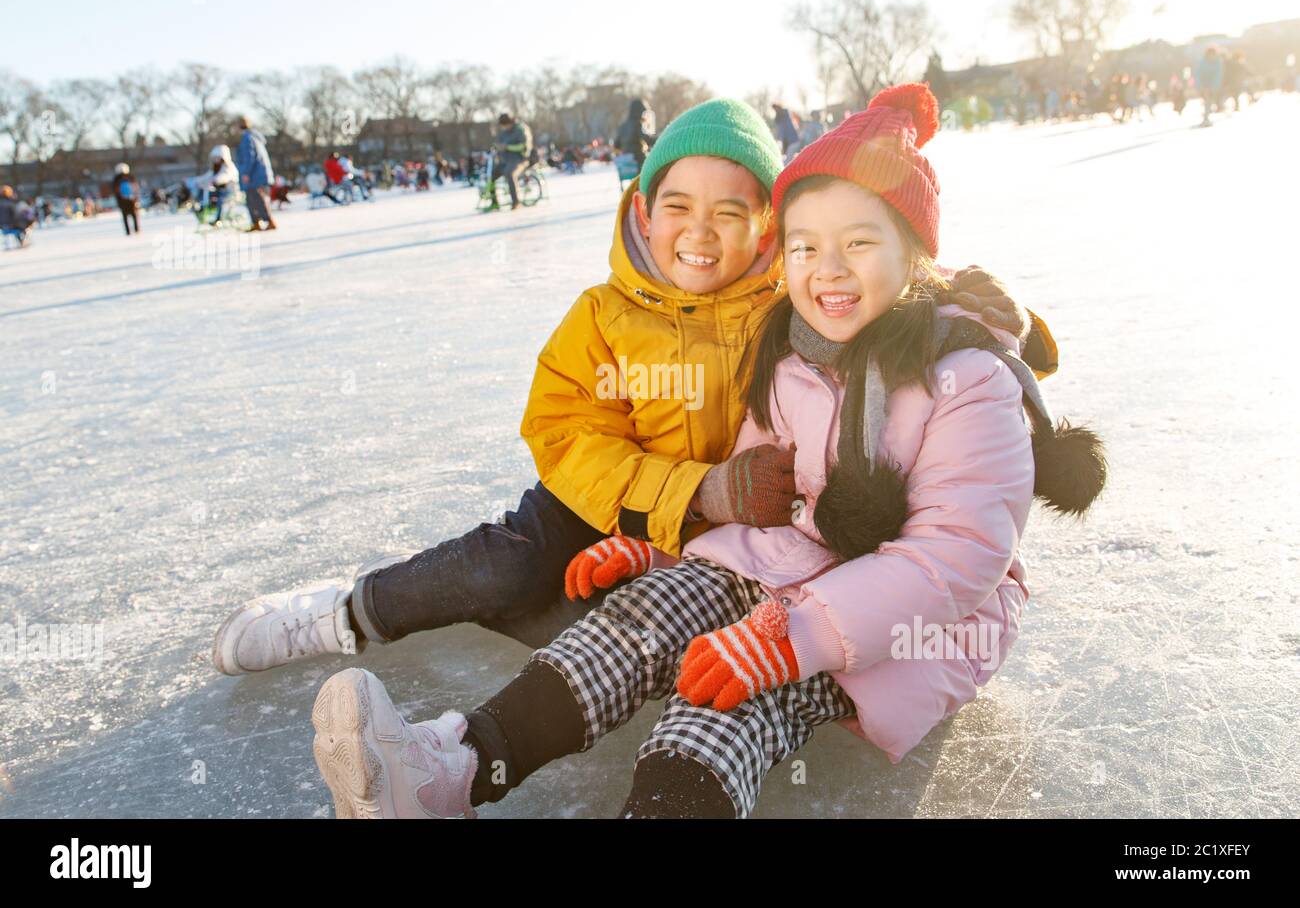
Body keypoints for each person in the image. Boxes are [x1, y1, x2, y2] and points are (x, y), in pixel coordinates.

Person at [304, 83, 1103, 818]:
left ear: (915, 255)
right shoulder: (791, 350)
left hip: (902, 626)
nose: (828, 271)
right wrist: (660, 558)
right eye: (804, 247)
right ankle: (451, 770)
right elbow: (768, 502)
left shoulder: (965, 379)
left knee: (720, 701)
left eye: (859, 243)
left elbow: (957, 560)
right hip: (788, 567)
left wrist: (786, 639)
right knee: (638, 619)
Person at [236, 116, 277, 231]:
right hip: (260, 173)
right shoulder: (255, 137)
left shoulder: (247, 138)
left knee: (256, 199)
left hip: (254, 175)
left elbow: (249, 156)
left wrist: (246, 173)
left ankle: (267, 221)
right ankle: (257, 222)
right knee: (253, 199)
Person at [492, 112, 532, 210]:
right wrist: (497, 148)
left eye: (505, 125)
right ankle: (494, 202)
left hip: (520, 160)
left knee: (510, 173)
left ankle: (516, 202)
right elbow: (499, 144)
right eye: (503, 125)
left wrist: (507, 147)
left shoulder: (520, 129)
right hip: (506, 161)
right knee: (492, 173)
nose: (504, 127)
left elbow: (523, 146)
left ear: (510, 122)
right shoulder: (503, 133)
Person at [614, 97, 656, 167]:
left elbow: (616, 145)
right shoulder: (638, 124)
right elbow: (648, 140)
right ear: (641, 111)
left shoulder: (623, 126)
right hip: (639, 161)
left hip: (627, 163)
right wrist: (661, 138)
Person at [1196, 47, 1225, 127]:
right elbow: (1198, 74)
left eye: (1213, 55)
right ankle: (1206, 118)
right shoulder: (1202, 62)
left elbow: (1218, 75)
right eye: (1210, 55)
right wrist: (1200, 86)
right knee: (1207, 101)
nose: (1211, 56)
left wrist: (1214, 86)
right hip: (1203, 84)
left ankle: (1207, 116)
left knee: (1210, 101)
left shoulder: (1218, 62)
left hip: (1213, 84)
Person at [112, 163, 140, 236]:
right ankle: (136, 229)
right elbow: (136, 188)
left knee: (125, 216)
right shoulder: (131, 177)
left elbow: (115, 191)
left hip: (122, 201)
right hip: (132, 200)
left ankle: (128, 231)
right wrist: (136, 197)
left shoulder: (117, 179)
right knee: (134, 215)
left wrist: (119, 200)